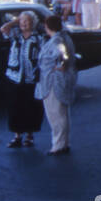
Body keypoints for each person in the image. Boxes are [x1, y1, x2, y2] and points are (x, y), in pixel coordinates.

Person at [1, 11, 47, 148]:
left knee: (31, 108)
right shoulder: (16, 35)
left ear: (33, 23)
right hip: (14, 77)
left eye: (26, 21)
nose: (23, 23)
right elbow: (3, 29)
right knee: (15, 107)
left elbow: (43, 57)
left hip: (31, 79)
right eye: (22, 21)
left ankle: (29, 136)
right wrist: (15, 21)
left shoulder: (39, 38)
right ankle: (17, 136)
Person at [36, 15, 77, 155]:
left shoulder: (57, 40)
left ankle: (59, 145)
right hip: (61, 80)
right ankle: (62, 142)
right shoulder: (64, 37)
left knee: (56, 114)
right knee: (62, 113)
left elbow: (61, 52)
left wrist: (61, 64)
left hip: (54, 81)